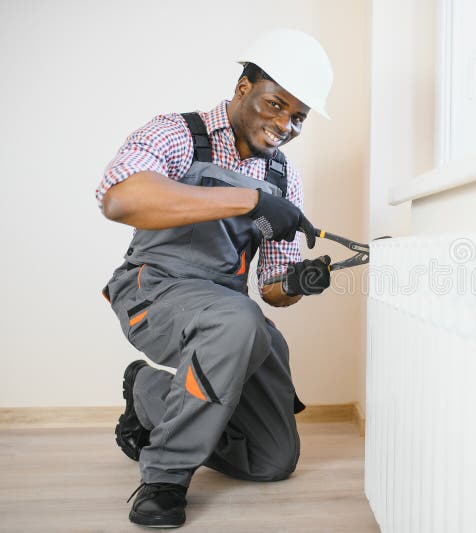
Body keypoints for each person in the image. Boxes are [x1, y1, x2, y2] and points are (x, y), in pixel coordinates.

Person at [96, 29, 334, 528]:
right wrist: (248, 200)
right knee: (239, 319)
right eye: (275, 105)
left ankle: (148, 393)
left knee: (271, 459)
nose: (283, 126)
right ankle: (164, 476)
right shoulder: (177, 132)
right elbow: (120, 198)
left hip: (229, 313)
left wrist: (295, 283)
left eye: (297, 118)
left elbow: (269, 286)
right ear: (243, 87)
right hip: (153, 288)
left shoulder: (283, 177)